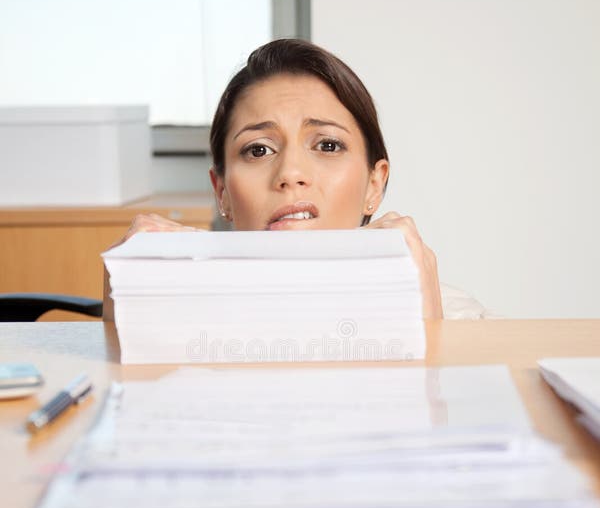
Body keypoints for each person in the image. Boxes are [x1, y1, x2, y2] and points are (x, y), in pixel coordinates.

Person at [119, 39, 486, 319]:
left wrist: (426, 331)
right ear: (223, 192)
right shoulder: (177, 315)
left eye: (327, 145)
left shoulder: (457, 316)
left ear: (374, 185)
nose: (291, 173)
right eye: (259, 150)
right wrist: (121, 313)